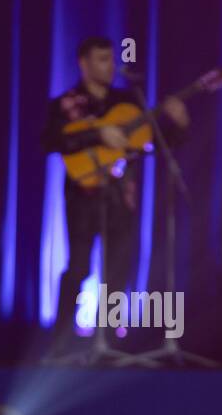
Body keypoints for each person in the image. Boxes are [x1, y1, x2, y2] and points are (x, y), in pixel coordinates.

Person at [42, 36, 188, 352]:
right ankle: (61, 343)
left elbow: (154, 143)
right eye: (102, 59)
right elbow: (50, 141)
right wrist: (96, 134)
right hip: (82, 196)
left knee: (118, 270)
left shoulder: (128, 101)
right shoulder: (66, 103)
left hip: (122, 197)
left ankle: (107, 343)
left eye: (111, 59)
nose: (109, 66)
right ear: (84, 63)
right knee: (78, 267)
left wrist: (178, 125)